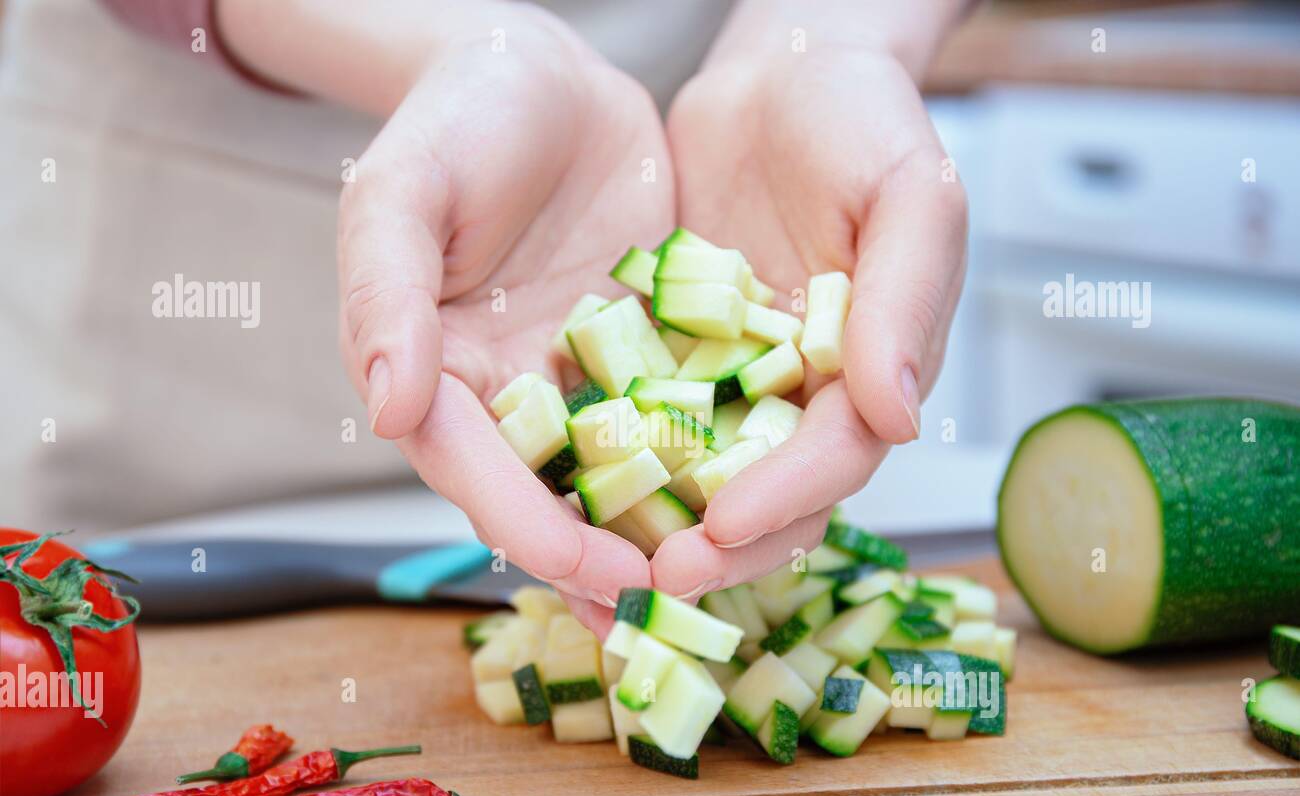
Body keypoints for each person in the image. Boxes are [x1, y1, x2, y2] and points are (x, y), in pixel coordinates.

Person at [96, 0, 971, 632]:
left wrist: (831, 36)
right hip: (185, 217)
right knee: (86, 591)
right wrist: (466, 43)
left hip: (684, 149)